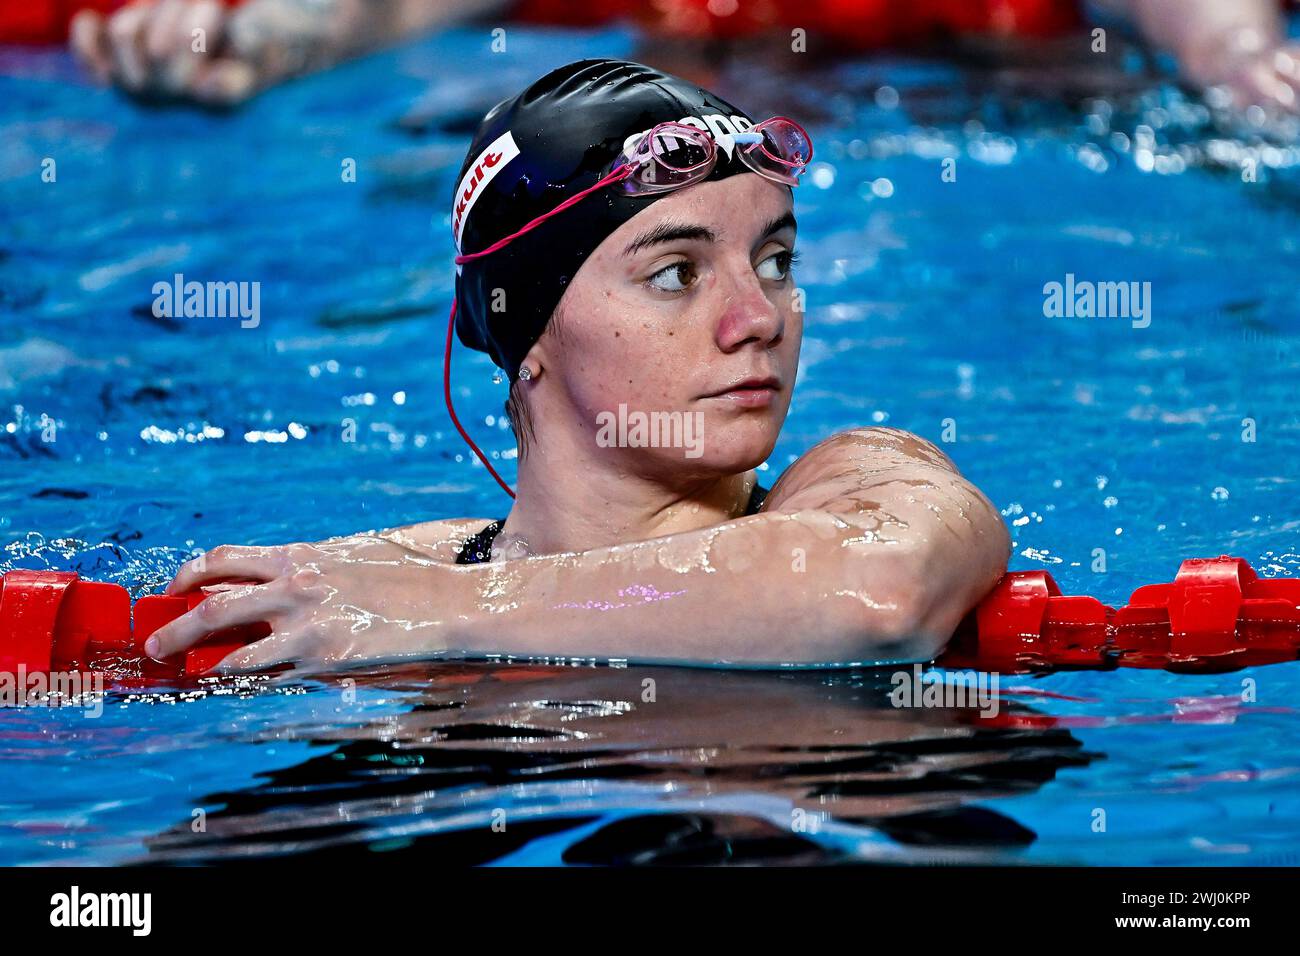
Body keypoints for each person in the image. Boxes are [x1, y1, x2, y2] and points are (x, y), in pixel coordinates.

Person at [141, 58, 1011, 671]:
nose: (758, 319)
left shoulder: (856, 480)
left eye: (776, 263)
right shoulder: (405, 571)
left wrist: (437, 617)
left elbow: (879, 595)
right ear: (529, 332)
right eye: (676, 275)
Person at [53, 0, 1300, 114]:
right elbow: (376, 8)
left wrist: (1240, 56)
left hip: (1005, 113)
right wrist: (249, 42)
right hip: (683, 128)